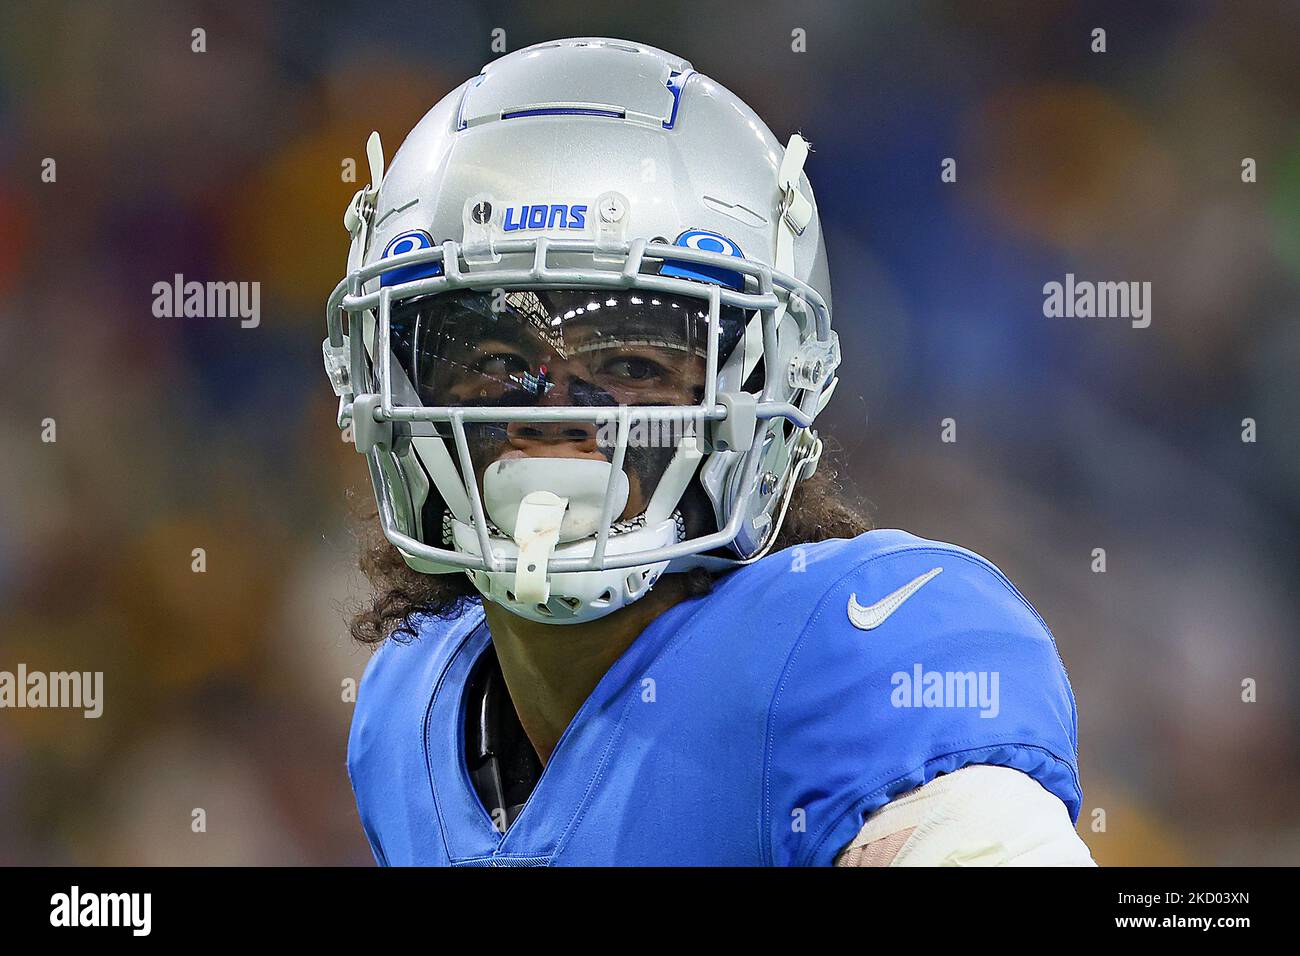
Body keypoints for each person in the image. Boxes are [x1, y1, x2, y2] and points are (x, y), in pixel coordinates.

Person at [324, 37, 1093, 866]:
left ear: (765, 386)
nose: (558, 417)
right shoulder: (409, 706)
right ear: (386, 383)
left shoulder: (848, 658)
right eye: (499, 365)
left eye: (629, 365)